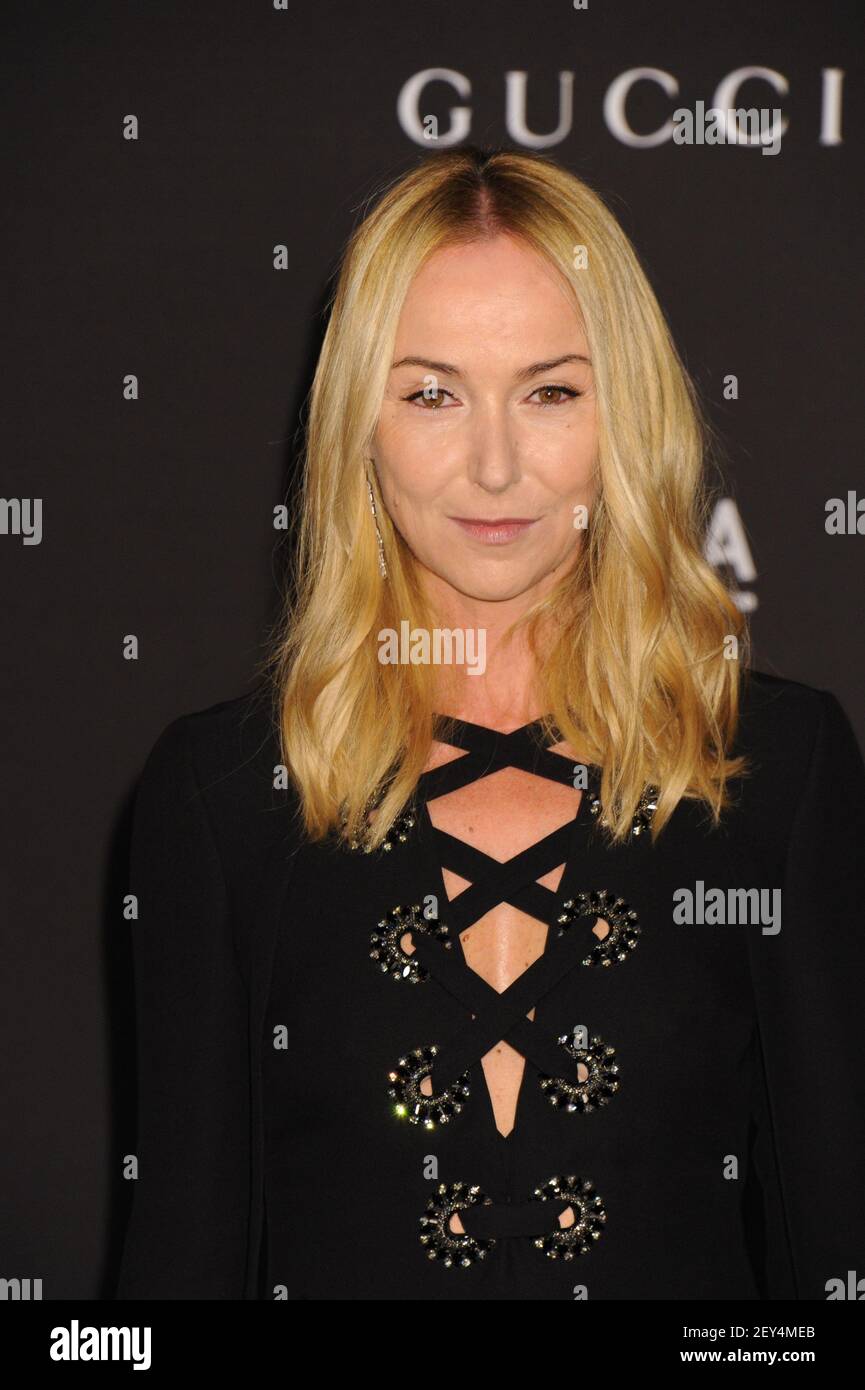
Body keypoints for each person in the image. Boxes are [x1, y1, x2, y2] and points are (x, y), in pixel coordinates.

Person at [115, 145, 865, 1301]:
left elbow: (837, 1255)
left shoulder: (772, 773)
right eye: (431, 393)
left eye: (551, 390)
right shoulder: (222, 800)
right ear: (356, 426)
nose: (497, 464)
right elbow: (175, 1278)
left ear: (629, 414)